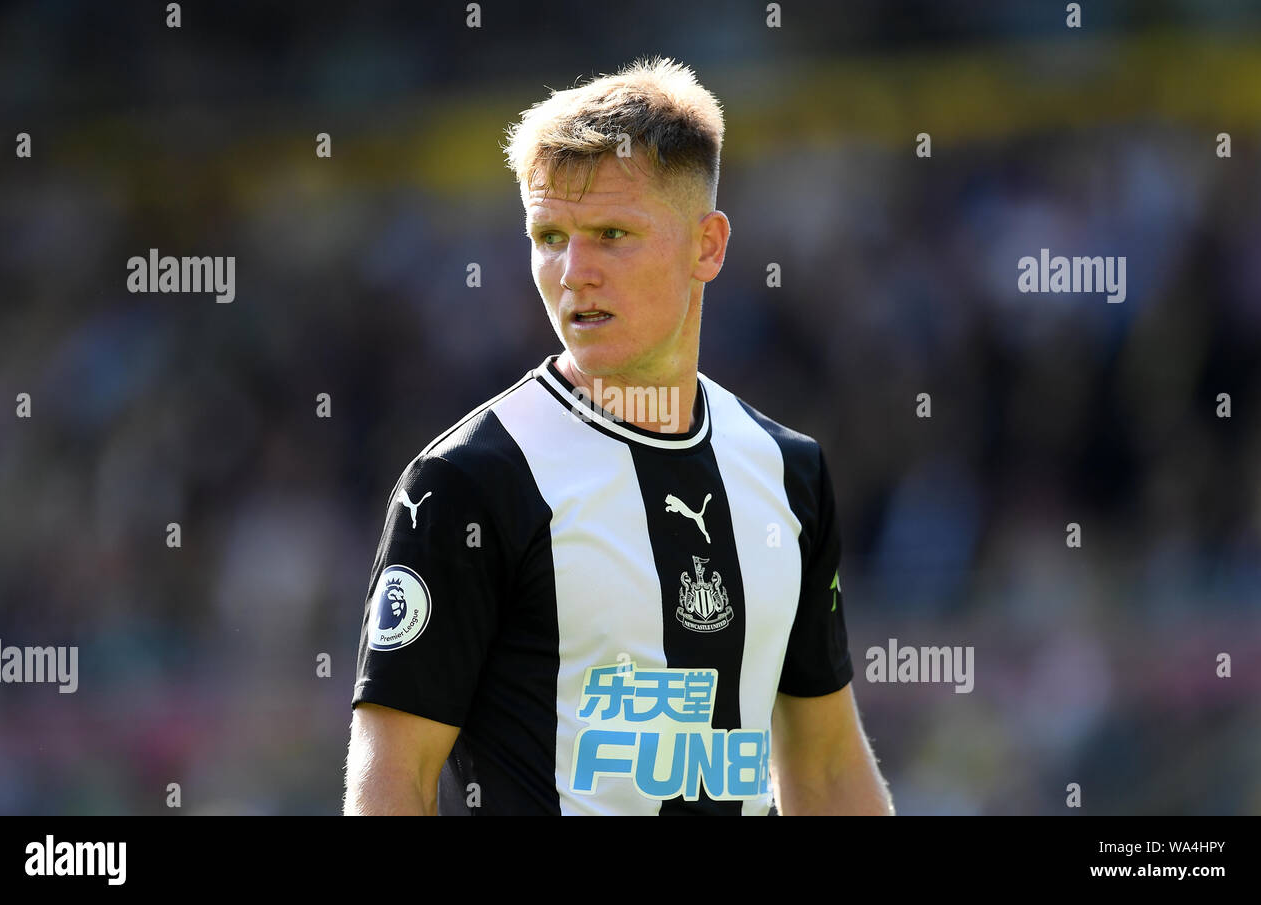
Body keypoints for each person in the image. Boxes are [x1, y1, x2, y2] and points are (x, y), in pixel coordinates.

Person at [343, 56, 893, 816]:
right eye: (550, 235)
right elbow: (390, 786)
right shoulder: (466, 484)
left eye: (611, 233)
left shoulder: (788, 471)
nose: (574, 271)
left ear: (707, 245)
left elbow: (827, 765)